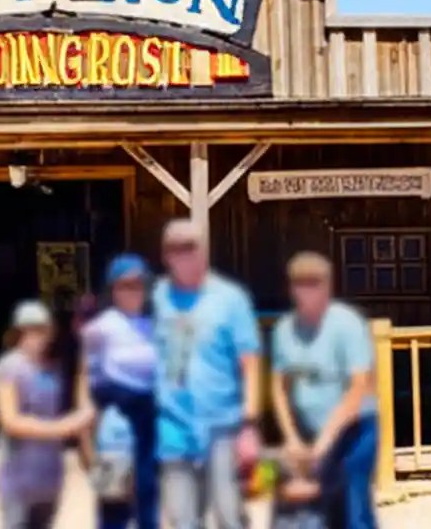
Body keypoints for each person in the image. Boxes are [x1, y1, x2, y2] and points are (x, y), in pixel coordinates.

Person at [153, 218, 262, 529]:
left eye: (190, 247)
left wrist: (250, 424)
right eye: (175, 248)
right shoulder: (155, 298)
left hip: (223, 427)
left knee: (230, 516)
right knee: (182, 519)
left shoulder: (231, 298)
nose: (183, 254)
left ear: (204, 250)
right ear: (165, 255)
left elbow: (250, 364)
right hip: (171, 427)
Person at [270, 251, 379, 529]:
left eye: (315, 283)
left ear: (327, 286)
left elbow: (358, 388)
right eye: (301, 283)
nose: (308, 291)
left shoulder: (347, 324)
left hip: (356, 430)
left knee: (353, 508)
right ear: (291, 288)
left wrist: (324, 442)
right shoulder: (284, 330)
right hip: (309, 431)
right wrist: (292, 437)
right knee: (313, 513)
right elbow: (279, 387)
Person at [0, 300, 96, 529]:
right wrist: (62, 427)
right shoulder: (9, 367)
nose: (37, 335)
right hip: (17, 478)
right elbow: (10, 420)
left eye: (42, 329)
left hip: (49, 478)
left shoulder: (53, 369)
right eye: (31, 329)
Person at [78, 253, 159, 529]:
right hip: (115, 432)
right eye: (125, 285)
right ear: (112, 289)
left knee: (150, 511)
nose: (132, 291)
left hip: (151, 432)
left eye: (138, 285)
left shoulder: (156, 327)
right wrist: (85, 442)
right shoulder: (99, 329)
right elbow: (85, 387)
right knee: (113, 513)